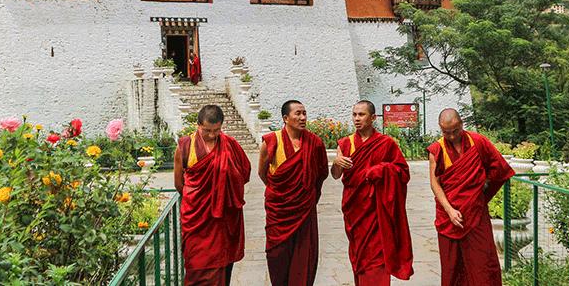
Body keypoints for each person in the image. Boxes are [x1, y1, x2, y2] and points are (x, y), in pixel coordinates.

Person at [427, 108, 514, 286]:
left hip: (475, 214)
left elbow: (499, 169)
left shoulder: (478, 142)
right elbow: (435, 183)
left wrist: (484, 189)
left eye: (455, 131)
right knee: (453, 268)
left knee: (483, 264)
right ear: (440, 128)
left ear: (461, 125)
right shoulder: (437, 149)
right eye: (446, 132)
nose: (451, 136)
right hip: (449, 217)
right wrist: (450, 210)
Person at [332, 101, 414, 285]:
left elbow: (403, 172)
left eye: (361, 115)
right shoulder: (346, 143)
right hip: (355, 211)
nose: (356, 119)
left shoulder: (386, 143)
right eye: (354, 115)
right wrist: (337, 163)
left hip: (378, 212)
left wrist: (382, 170)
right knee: (359, 255)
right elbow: (336, 176)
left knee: (376, 258)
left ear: (373, 117)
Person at [174, 104, 251, 285]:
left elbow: (244, 172)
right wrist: (196, 198)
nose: (211, 135)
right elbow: (179, 184)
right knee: (196, 264)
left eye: (216, 130)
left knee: (222, 266)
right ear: (198, 125)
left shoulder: (230, 145)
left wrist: (225, 190)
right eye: (207, 130)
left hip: (223, 218)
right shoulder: (185, 147)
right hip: (196, 218)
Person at [258, 100, 328, 286]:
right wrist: (280, 190)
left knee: (304, 257)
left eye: (304, 113)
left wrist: (305, 196)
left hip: (304, 209)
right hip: (279, 210)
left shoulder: (315, 143)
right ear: (285, 118)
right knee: (277, 255)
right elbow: (262, 173)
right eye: (298, 113)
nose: (303, 117)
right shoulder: (271, 141)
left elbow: (320, 175)